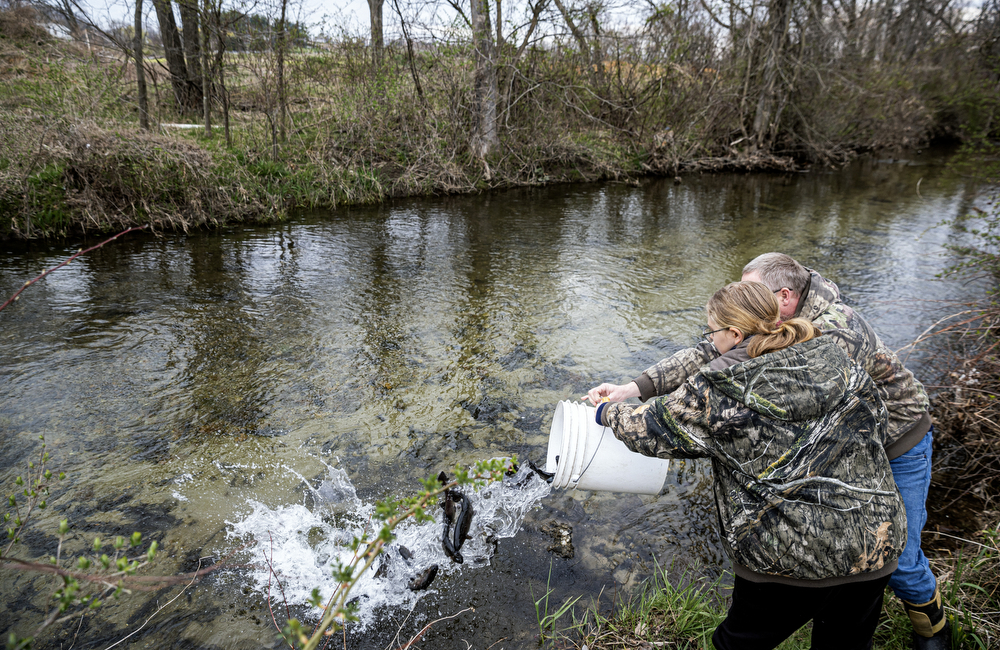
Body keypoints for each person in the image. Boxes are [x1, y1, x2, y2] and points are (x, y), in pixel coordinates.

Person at [587, 253, 946, 650]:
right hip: (857, 492)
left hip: (898, 443)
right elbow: (706, 352)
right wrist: (635, 388)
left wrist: (609, 412)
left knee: (904, 559)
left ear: (783, 297)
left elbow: (661, 428)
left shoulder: (836, 335)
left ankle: (934, 632)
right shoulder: (787, 333)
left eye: (753, 291)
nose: (712, 340)